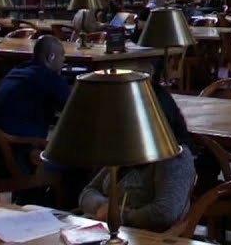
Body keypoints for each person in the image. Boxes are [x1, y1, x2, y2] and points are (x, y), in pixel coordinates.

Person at [79, 87, 196, 232]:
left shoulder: (176, 157)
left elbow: (165, 213)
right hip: (102, 229)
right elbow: (88, 192)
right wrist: (103, 207)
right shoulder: (129, 147)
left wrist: (121, 215)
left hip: (142, 237)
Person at [0, 36, 70, 179]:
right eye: (62, 56)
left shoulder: (17, 71)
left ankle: (28, 197)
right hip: (10, 161)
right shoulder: (47, 78)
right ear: (51, 57)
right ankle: (37, 198)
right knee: (75, 165)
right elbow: (75, 108)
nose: (64, 61)